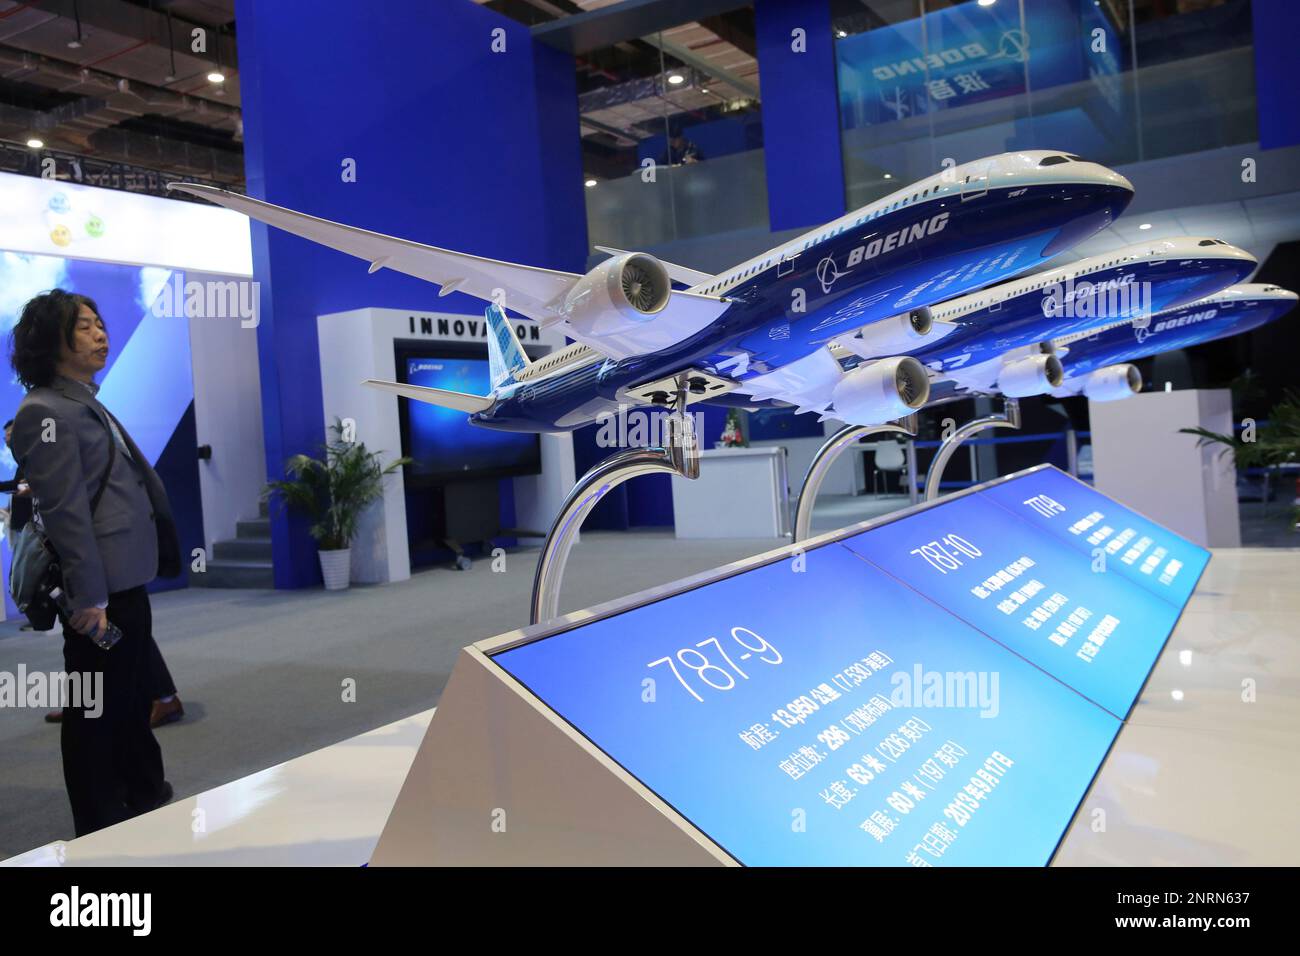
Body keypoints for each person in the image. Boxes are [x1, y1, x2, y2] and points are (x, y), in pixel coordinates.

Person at [9, 289, 181, 835]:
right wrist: (90, 597)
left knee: (126, 700)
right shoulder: (44, 410)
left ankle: (143, 794)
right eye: (83, 327)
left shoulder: (81, 398)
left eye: (99, 323)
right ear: (51, 341)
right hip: (99, 589)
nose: (100, 333)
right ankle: (100, 820)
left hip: (122, 578)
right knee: (94, 710)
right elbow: (65, 512)